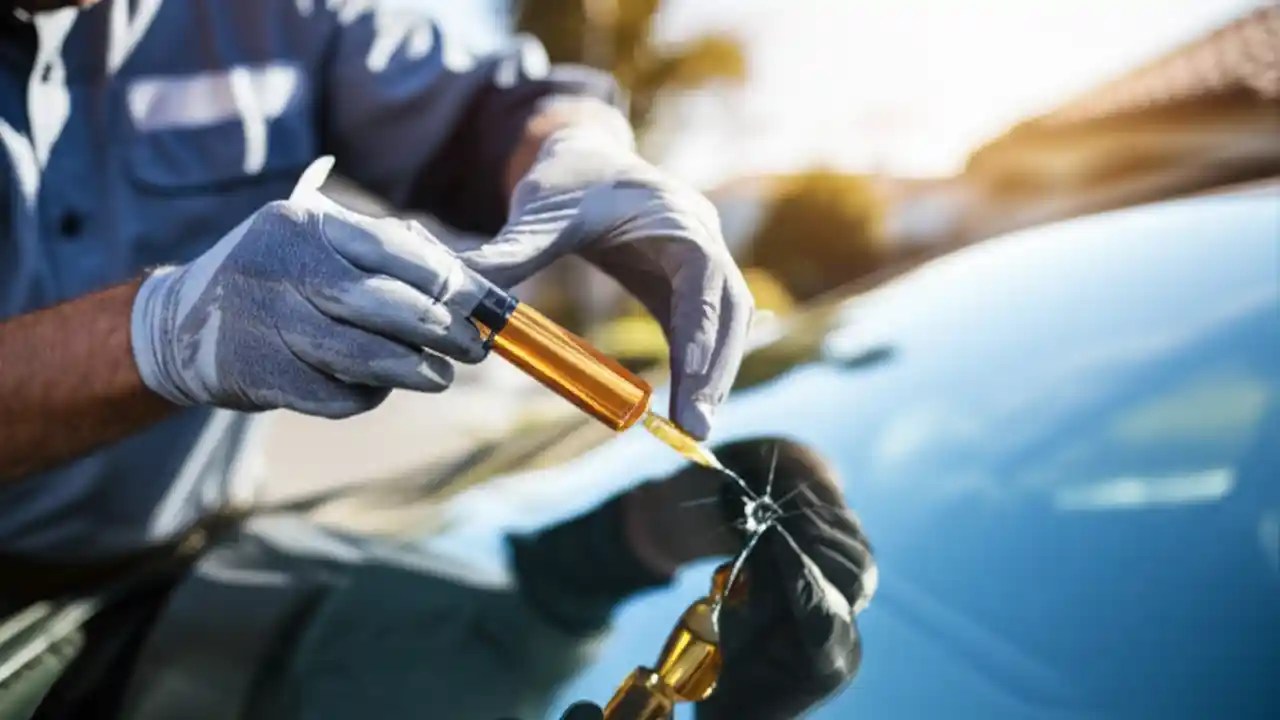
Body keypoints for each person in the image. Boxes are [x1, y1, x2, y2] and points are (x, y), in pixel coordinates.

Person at [0, 1, 872, 717]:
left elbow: (489, 106)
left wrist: (577, 149)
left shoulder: (269, 15)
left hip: (195, 575)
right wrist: (152, 336)